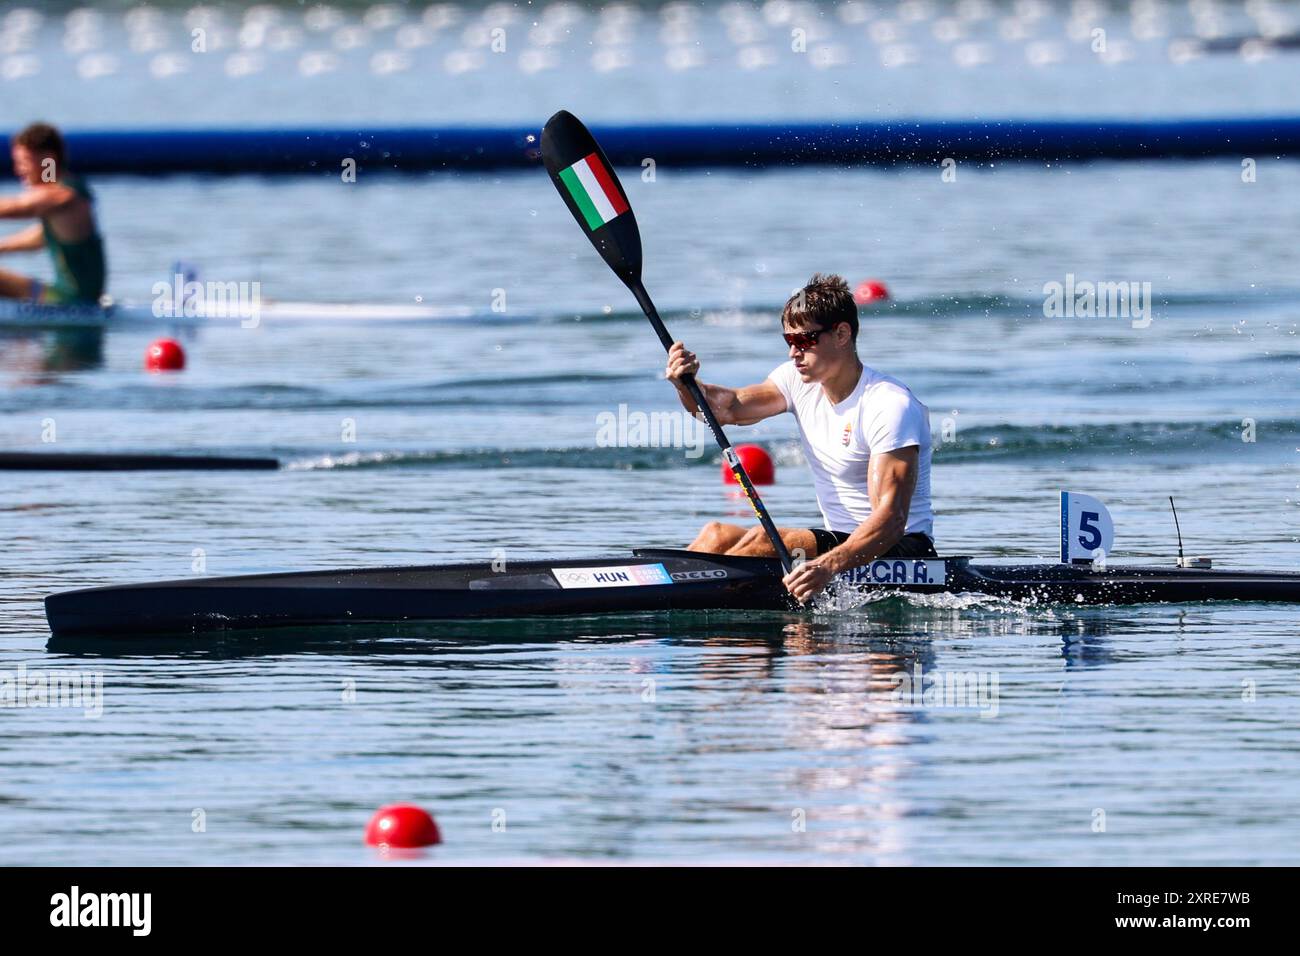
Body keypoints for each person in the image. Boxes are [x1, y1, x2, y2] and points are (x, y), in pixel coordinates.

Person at [665, 273, 934, 603]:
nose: (794, 352)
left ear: (842, 334)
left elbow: (891, 521)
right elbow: (726, 409)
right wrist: (687, 384)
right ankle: (657, 597)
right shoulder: (797, 381)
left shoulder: (889, 405)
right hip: (841, 545)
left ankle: (691, 605)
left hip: (902, 553)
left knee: (764, 541)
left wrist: (825, 567)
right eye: (788, 341)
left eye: (805, 340)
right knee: (715, 535)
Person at [0, 122, 107, 304]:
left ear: (47, 161)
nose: (18, 170)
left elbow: (19, 206)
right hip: (68, 295)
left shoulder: (63, 196)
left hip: (71, 301)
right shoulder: (65, 194)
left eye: (24, 162)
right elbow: (41, 237)